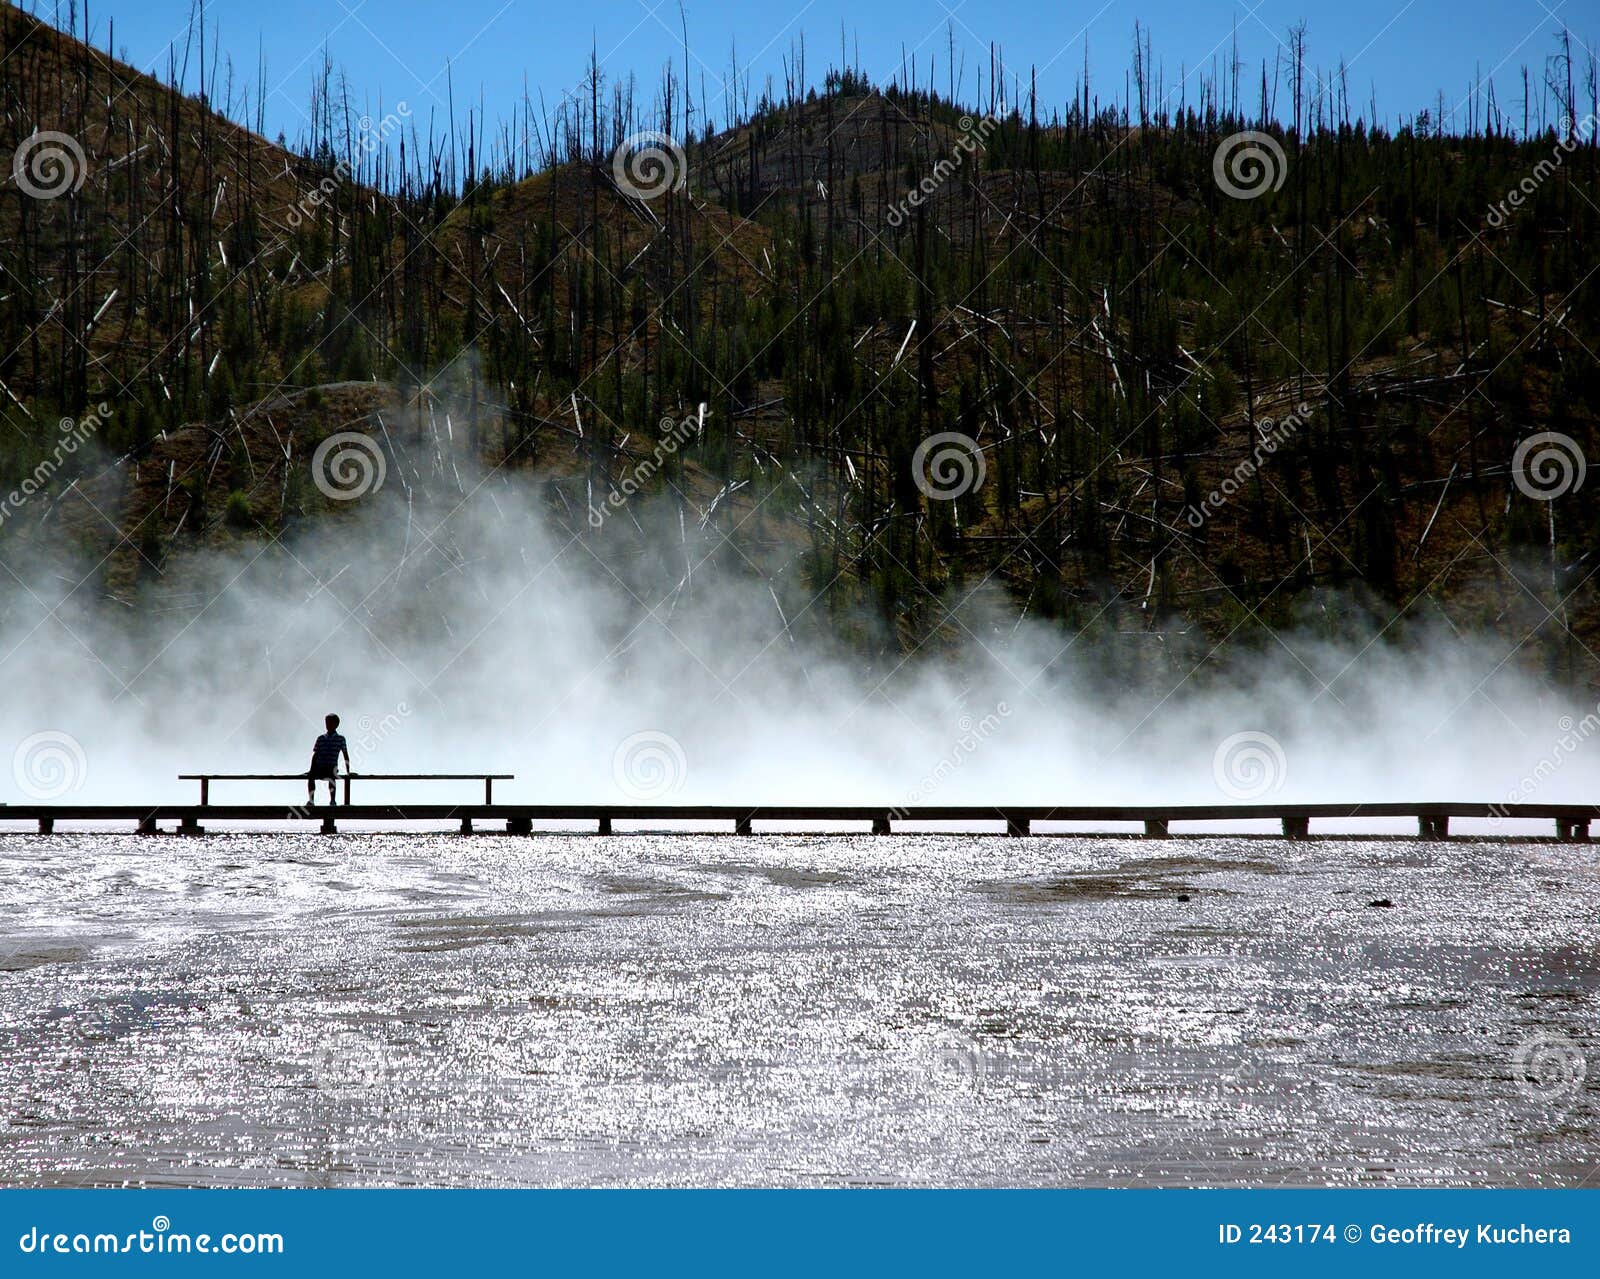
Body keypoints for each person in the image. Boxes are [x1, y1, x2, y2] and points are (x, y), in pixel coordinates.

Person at [307, 713, 351, 805]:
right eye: (326, 723)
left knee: (332, 776)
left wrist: (348, 771)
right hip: (320, 767)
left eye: (330, 723)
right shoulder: (321, 738)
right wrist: (312, 769)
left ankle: (332, 800)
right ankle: (311, 801)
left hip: (331, 766)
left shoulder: (340, 739)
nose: (327, 725)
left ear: (336, 725)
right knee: (311, 777)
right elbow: (315, 755)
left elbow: (345, 755)